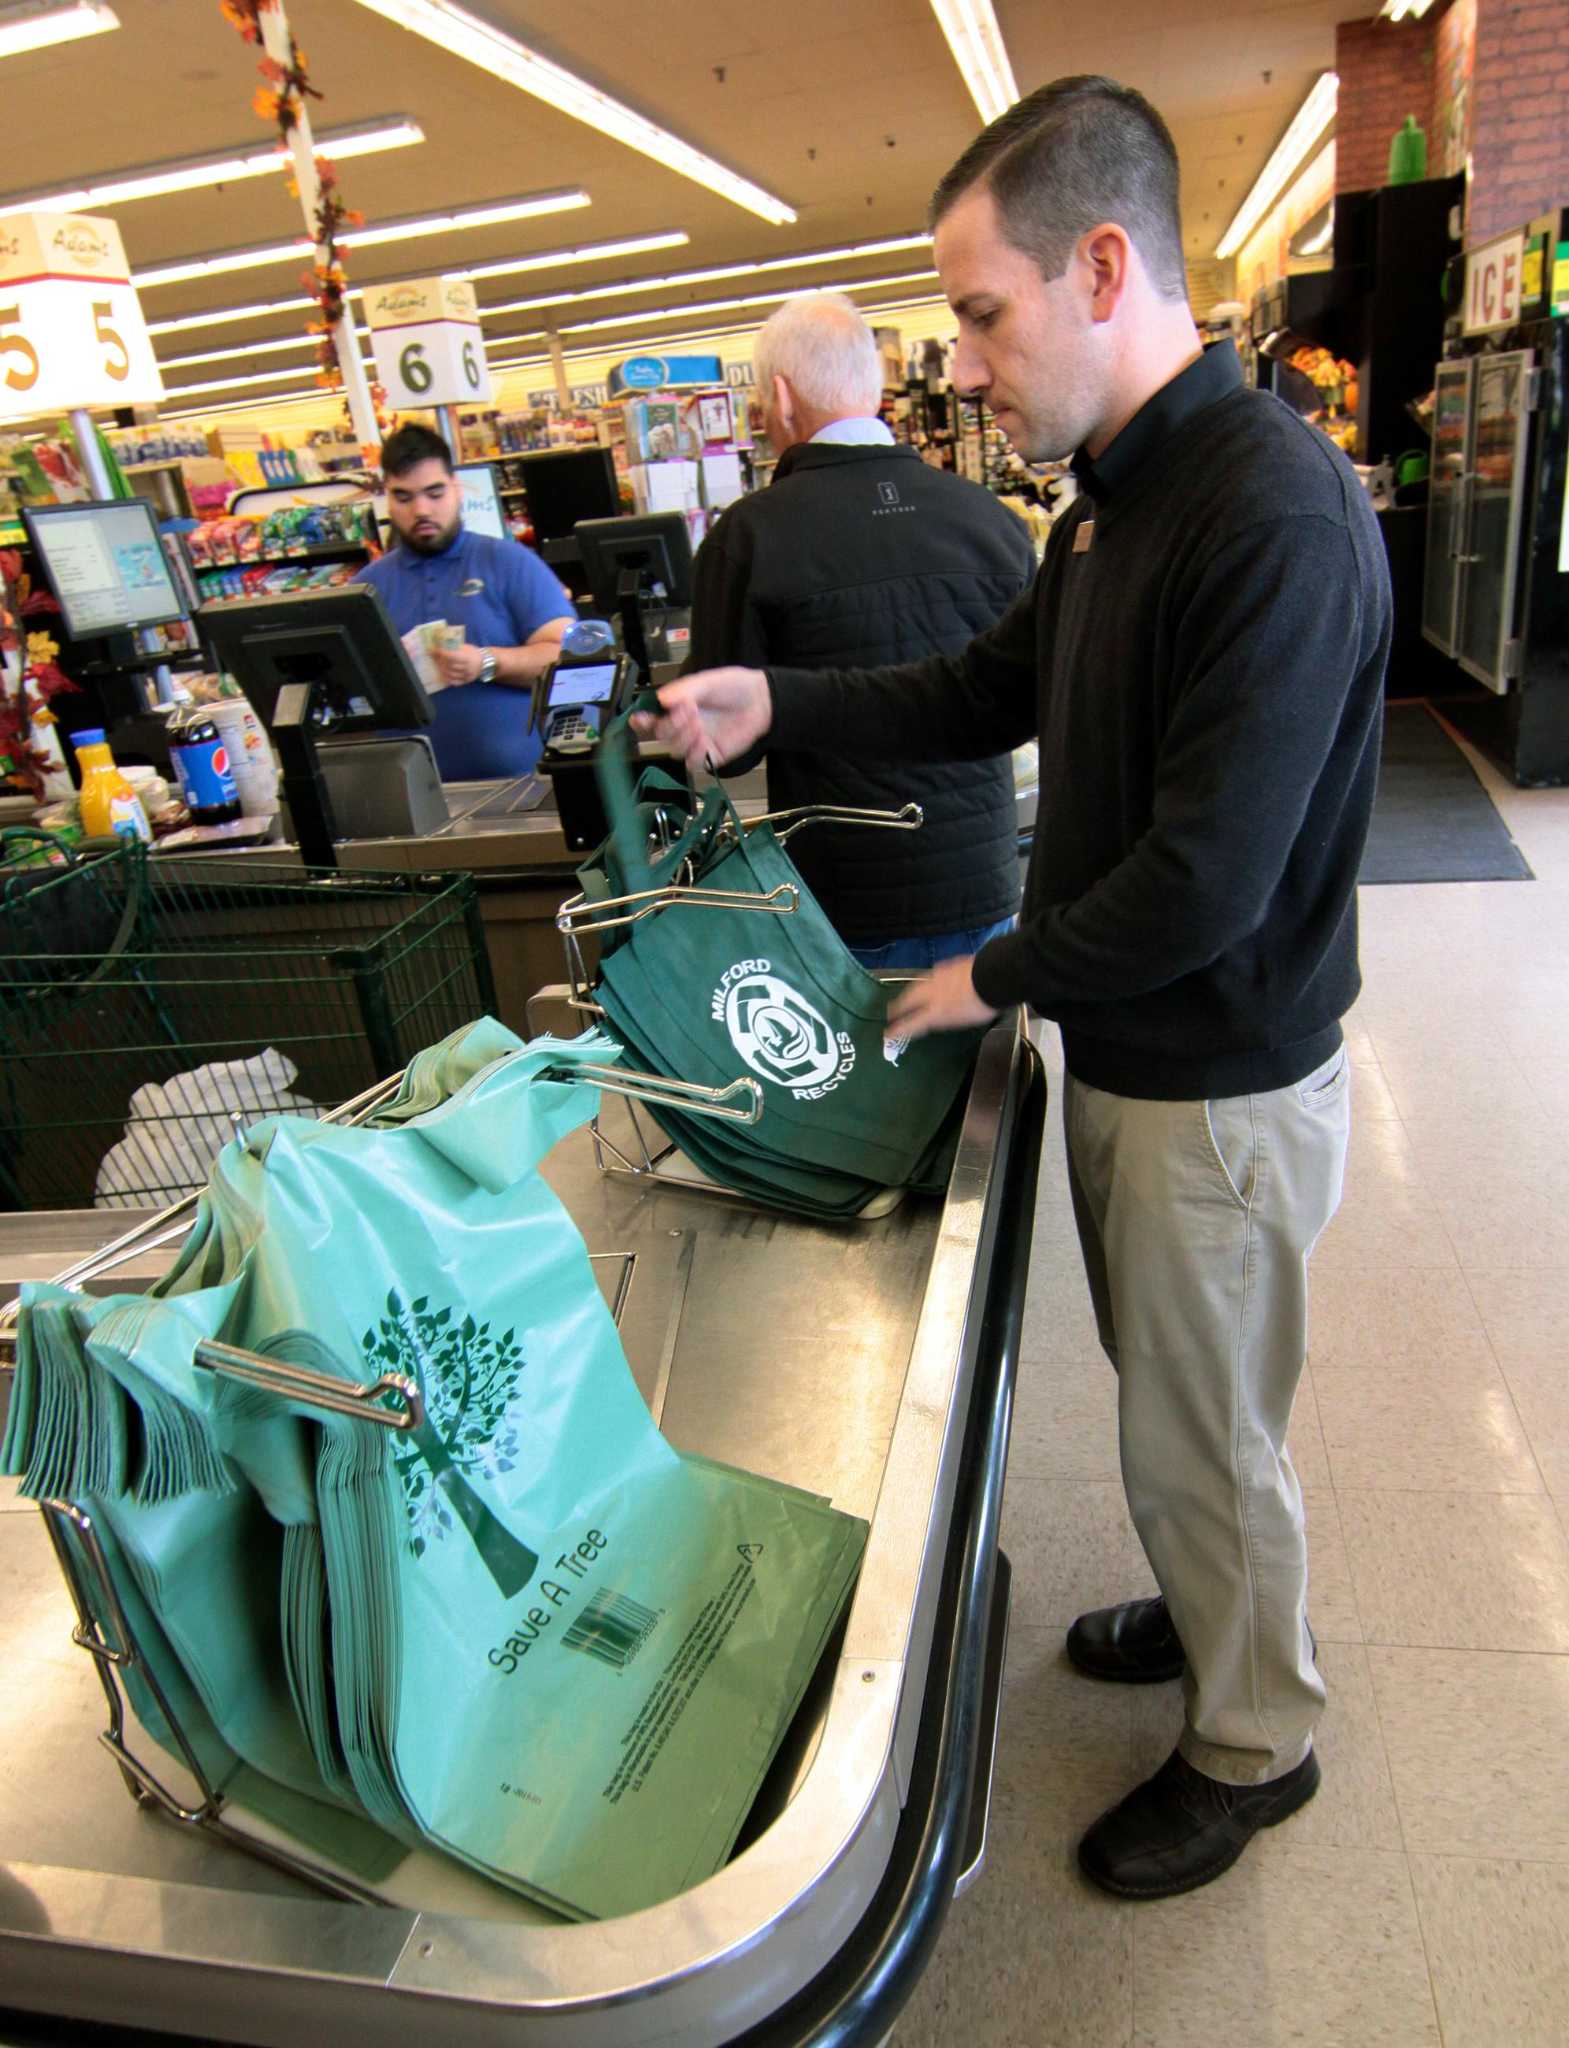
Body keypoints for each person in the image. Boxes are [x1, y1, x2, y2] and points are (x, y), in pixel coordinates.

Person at [638, 75, 1390, 1901]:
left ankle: (1249, 1736)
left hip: (1212, 1071)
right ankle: (1207, 1607)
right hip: (1142, 1050)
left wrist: (989, 966)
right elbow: (987, 688)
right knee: (1170, 1386)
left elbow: (1203, 883)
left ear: (1104, 266)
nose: (958, 362)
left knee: (1204, 1411)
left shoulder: (1264, 515)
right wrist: (778, 703)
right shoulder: (1104, 505)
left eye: (980, 313)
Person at [688, 292, 1035, 965]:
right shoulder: (990, 520)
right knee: (987, 1068)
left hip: (843, 911)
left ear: (780, 399)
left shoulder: (750, 538)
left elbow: (725, 750)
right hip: (985, 885)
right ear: (873, 386)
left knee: (871, 1072)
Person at [355, 423, 575, 781]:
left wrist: (487, 662)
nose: (421, 509)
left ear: (457, 491)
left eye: (434, 492)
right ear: (387, 499)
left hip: (522, 795)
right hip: (411, 806)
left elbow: (570, 660)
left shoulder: (510, 562)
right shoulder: (367, 588)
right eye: (404, 496)